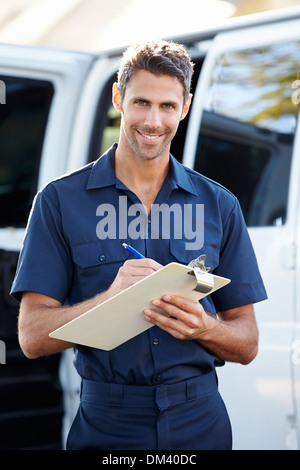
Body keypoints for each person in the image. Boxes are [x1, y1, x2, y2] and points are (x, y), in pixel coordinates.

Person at [11, 39, 267, 450]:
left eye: (167, 106)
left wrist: (206, 326)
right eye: (141, 102)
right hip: (107, 423)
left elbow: (248, 342)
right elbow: (31, 336)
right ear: (118, 98)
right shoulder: (59, 202)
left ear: (184, 107)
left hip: (199, 419)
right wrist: (109, 300)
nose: (153, 121)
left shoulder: (220, 205)